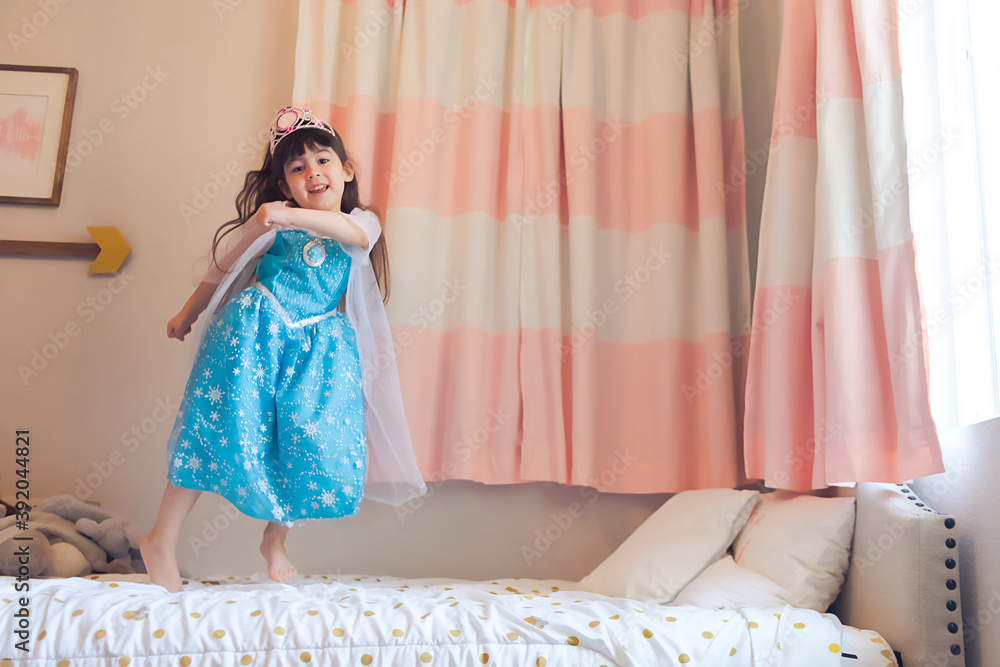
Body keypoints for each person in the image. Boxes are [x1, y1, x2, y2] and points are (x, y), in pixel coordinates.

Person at [140, 107, 426, 593]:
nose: (313, 172)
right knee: (214, 429)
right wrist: (187, 314)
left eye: (323, 160)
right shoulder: (275, 225)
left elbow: (355, 237)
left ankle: (275, 538)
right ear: (284, 184)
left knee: (314, 443)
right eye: (298, 168)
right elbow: (223, 269)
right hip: (255, 334)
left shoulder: (362, 222)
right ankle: (160, 542)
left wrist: (288, 215)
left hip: (320, 349)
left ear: (346, 170)